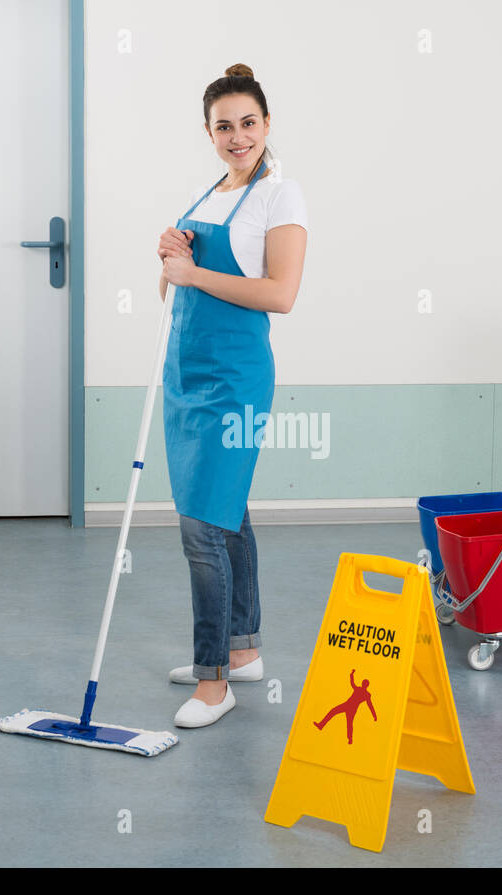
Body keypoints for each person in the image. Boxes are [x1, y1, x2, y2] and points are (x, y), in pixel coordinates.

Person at [157, 64, 308, 728]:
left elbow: (281, 294)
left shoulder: (282, 196)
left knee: (202, 525)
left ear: (266, 124)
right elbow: (175, 287)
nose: (238, 136)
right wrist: (168, 260)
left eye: (249, 123)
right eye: (225, 126)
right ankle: (242, 648)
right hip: (185, 373)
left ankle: (212, 679)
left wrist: (193, 271)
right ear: (209, 133)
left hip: (237, 378)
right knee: (229, 511)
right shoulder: (204, 192)